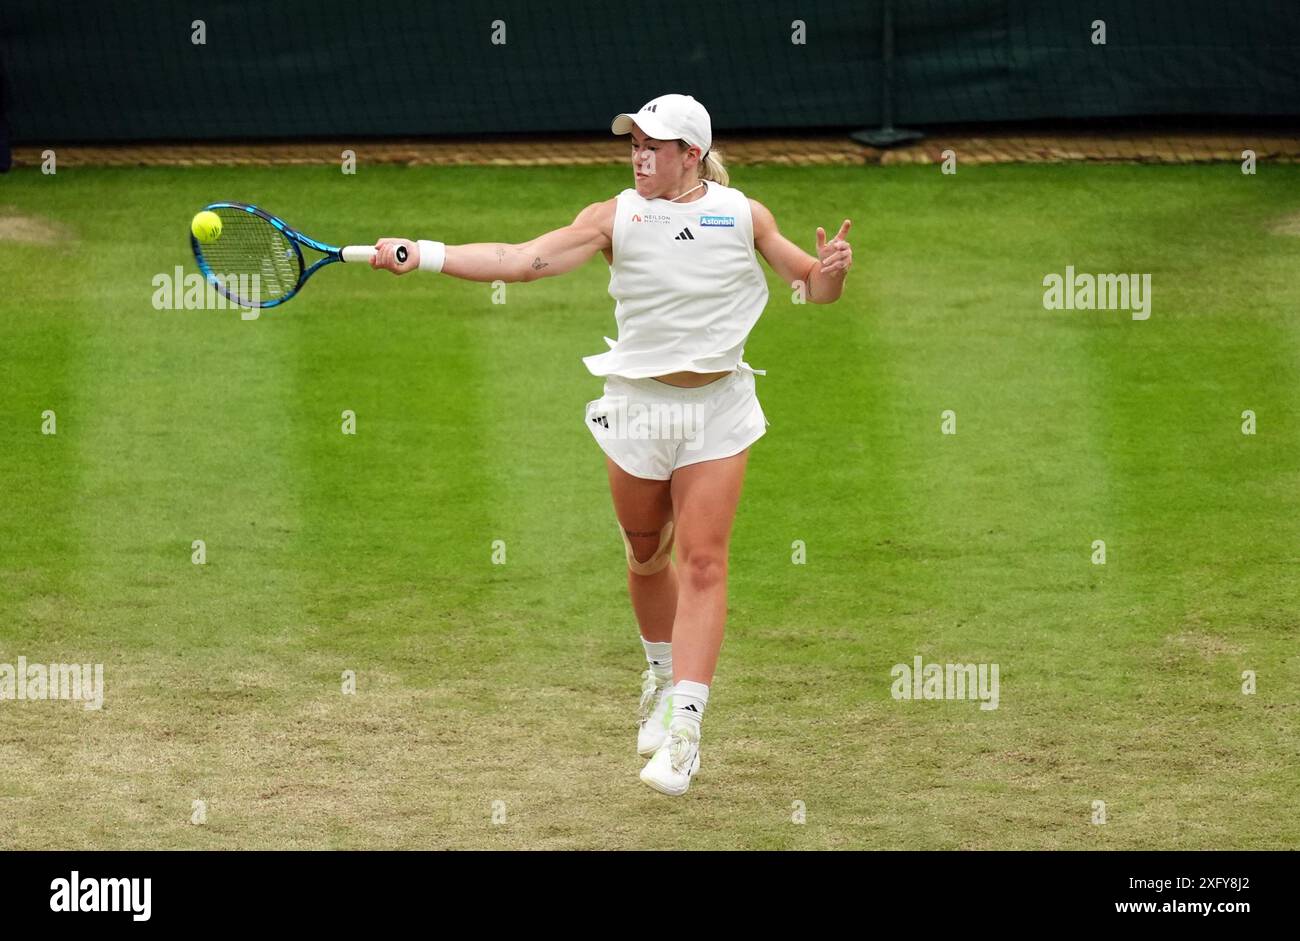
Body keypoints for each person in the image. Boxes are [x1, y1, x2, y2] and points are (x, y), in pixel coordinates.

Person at [369, 93, 853, 796]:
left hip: (717, 411)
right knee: (645, 550)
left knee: (706, 561)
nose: (639, 155)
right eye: (634, 144)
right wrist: (427, 253)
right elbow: (520, 259)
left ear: (692, 153)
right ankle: (660, 671)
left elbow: (812, 287)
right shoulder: (614, 216)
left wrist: (831, 267)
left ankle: (686, 729)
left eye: (654, 146)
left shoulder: (743, 215)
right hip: (637, 410)